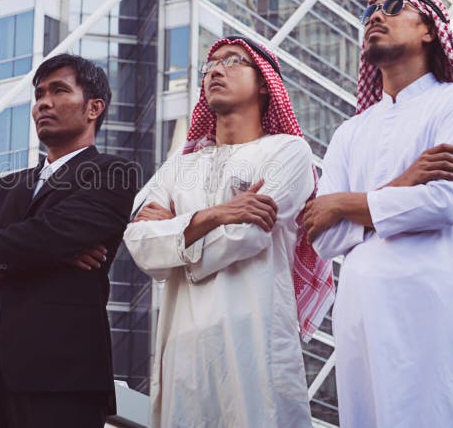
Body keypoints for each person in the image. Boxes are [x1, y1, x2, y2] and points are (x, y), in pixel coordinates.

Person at [303, 0, 453, 428]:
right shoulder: (349, 132)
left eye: (394, 8)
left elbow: (441, 202)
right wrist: (400, 184)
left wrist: (345, 204)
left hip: (428, 303)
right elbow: (322, 236)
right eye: (370, 11)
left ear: (429, 31)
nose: (376, 16)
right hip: (359, 313)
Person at [123, 36, 334, 428]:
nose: (216, 70)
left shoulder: (288, 151)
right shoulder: (179, 167)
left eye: (234, 61)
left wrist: (177, 238)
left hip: (254, 342)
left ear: (265, 83)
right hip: (182, 351)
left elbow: (249, 236)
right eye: (211, 65)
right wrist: (218, 214)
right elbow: (139, 245)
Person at [0, 54, 138, 428]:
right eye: (39, 94)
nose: (43, 103)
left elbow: (49, 235)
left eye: (59, 90)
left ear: (94, 107)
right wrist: (50, 251)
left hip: (64, 379)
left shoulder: (114, 172)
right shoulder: (7, 187)